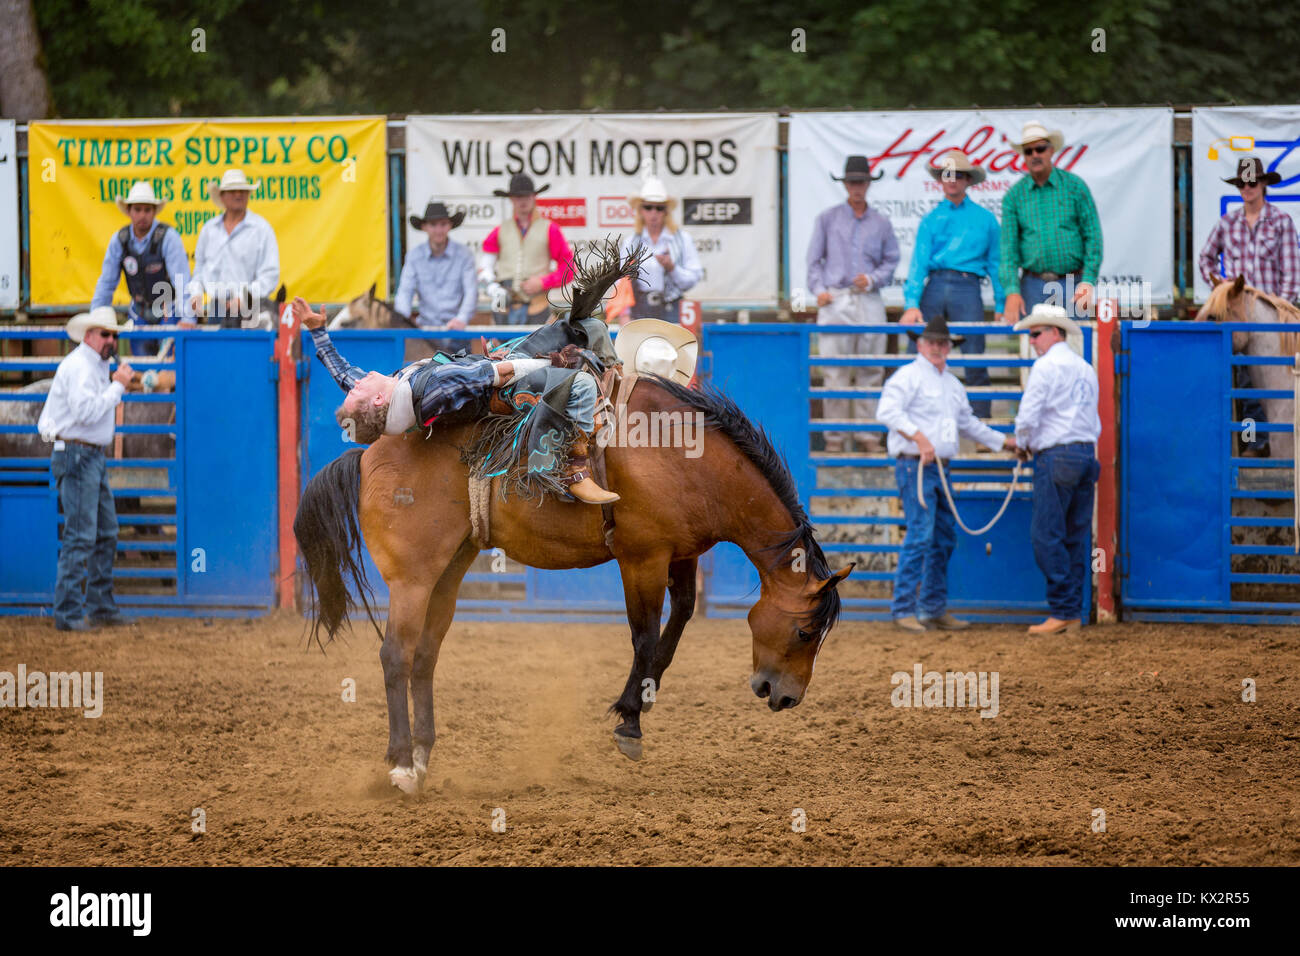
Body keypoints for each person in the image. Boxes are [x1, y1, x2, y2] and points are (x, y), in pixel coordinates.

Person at [293, 297, 619, 504]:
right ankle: (570, 468)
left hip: (493, 363)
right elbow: (498, 375)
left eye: (352, 388)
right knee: (579, 385)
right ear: (378, 400)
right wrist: (548, 362)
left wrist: (319, 333)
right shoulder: (431, 389)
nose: (355, 381)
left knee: (588, 326)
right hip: (502, 385)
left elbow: (345, 375)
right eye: (356, 391)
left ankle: (615, 377)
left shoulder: (385, 395)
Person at [877, 315, 1016, 632]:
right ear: (920, 344)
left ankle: (932, 608)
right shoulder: (907, 376)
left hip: (937, 468)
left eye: (943, 343)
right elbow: (887, 411)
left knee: (942, 538)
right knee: (921, 534)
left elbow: (968, 424)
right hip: (915, 465)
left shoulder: (952, 384)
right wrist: (920, 438)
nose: (938, 347)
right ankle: (904, 608)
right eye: (933, 342)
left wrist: (1004, 443)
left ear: (949, 347)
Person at [36, 307, 135, 631]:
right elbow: (86, 412)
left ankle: (98, 606)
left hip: (87, 455)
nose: (111, 340)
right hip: (80, 455)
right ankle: (69, 612)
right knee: (83, 536)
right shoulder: (81, 366)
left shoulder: (91, 365)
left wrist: (114, 383)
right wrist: (118, 385)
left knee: (104, 532)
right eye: (106, 334)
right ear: (89, 336)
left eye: (114, 334)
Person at [1197, 156, 1299, 458]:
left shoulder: (1281, 222)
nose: (1247, 187)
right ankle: (1254, 443)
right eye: (1242, 183)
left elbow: (1292, 274)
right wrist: (1223, 286)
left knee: (1276, 383)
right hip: (1240, 318)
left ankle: (1274, 445)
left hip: (1272, 322)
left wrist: (1277, 312)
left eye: (1252, 182)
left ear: (1263, 184)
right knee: (1247, 385)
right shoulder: (1228, 224)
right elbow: (1205, 258)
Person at [1012, 304, 1101, 635]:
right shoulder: (1085, 368)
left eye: (1036, 334)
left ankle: (1063, 609)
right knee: (1075, 535)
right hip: (1085, 454)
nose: (1032, 340)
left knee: (1046, 534)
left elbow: (1028, 415)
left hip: (1057, 455)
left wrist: (1022, 442)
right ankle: (1072, 610)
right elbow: (1093, 417)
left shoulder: (1045, 367)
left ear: (1053, 332)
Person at [807, 155, 900, 453]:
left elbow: (891, 261)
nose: (856, 187)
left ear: (868, 184)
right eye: (852, 182)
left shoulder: (882, 223)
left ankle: (867, 434)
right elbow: (813, 262)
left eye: (861, 181)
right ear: (845, 184)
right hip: (836, 297)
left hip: (868, 298)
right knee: (834, 370)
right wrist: (819, 290)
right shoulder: (827, 219)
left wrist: (872, 279)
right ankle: (835, 437)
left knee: (870, 369)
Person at [901, 150, 1004, 418]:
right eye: (948, 174)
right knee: (918, 352)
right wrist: (911, 304)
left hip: (967, 287)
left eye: (958, 175)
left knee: (975, 356)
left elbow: (996, 264)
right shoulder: (931, 219)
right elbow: (918, 264)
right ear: (940, 180)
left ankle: (981, 422)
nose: (952, 180)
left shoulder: (986, 219)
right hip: (934, 286)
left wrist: (1002, 302)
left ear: (968, 180)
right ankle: (915, 420)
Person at [999, 121, 1102, 325]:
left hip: (1073, 283)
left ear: (1051, 150)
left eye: (1040, 148)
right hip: (1032, 284)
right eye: (1029, 151)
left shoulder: (1075, 187)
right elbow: (1008, 250)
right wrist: (1011, 291)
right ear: (1024, 157)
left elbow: (1093, 237)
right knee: (1033, 346)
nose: (1035, 155)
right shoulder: (1014, 196)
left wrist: (1088, 281)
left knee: (1076, 344)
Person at [91, 180, 195, 355]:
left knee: (169, 368)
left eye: (147, 210)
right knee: (141, 367)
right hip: (139, 312)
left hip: (168, 311)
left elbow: (182, 280)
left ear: (154, 212)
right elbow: (106, 283)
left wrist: (188, 318)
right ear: (129, 211)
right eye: (137, 209)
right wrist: (94, 320)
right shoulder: (120, 240)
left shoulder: (168, 237)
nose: (142, 215)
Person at [478, 173, 575, 325]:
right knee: (499, 347)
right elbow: (484, 269)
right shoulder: (500, 230)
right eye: (518, 197)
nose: (523, 201)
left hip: (537, 305)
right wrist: (494, 288)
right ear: (511, 199)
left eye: (527, 196)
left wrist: (543, 282)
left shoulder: (550, 229)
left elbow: (568, 269)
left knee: (539, 347)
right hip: (503, 305)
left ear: (534, 197)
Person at [190, 169, 281, 326]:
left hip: (251, 310)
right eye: (232, 191)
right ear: (222, 196)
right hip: (216, 308)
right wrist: (196, 294)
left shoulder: (261, 229)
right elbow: (199, 270)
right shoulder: (209, 229)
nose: (238, 195)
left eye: (242, 191)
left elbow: (270, 275)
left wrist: (243, 298)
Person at [619, 169, 702, 322]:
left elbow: (693, 278)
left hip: (672, 308)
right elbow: (622, 283)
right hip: (639, 309)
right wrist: (624, 313)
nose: (654, 213)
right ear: (641, 211)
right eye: (648, 207)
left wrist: (672, 268)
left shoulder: (682, 239)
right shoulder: (631, 242)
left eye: (659, 208)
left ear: (666, 211)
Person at [396, 200, 478, 349]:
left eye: (443, 224)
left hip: (456, 332)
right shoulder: (414, 256)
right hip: (425, 332)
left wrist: (462, 319)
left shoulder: (464, 255)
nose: (438, 230)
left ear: (450, 225)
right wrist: (402, 320)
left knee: (461, 371)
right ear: (424, 227)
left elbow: (471, 292)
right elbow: (404, 292)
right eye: (433, 224)